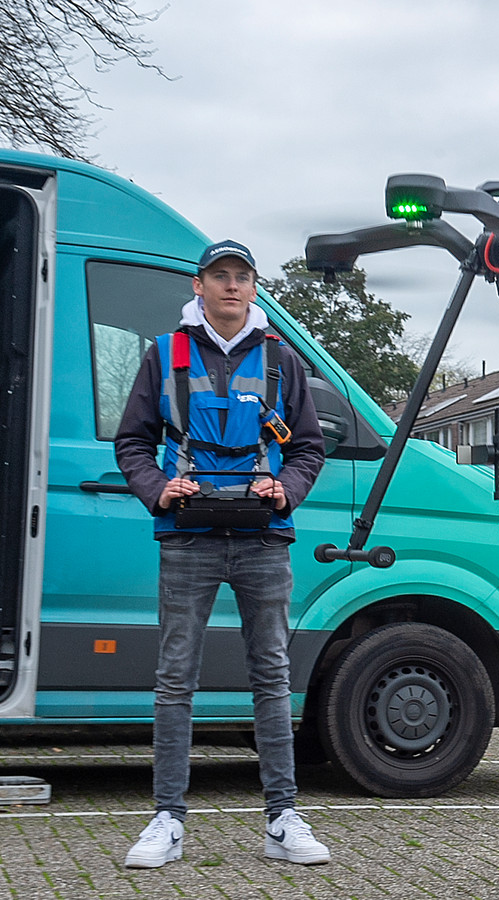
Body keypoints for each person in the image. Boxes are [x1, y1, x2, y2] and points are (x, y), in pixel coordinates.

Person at [115, 240, 329, 868]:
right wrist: (159, 489)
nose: (231, 286)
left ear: (254, 289)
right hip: (186, 537)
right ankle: (166, 820)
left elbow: (309, 447)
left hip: (264, 538)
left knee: (272, 676)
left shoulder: (281, 359)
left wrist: (284, 488)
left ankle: (283, 820)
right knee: (175, 679)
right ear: (198, 285)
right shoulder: (165, 353)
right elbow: (132, 442)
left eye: (242, 277)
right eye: (220, 276)